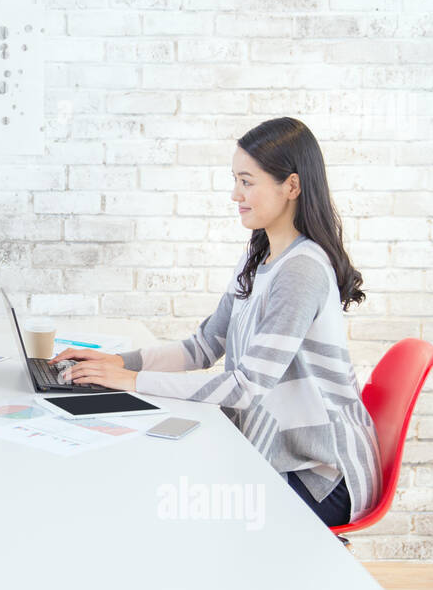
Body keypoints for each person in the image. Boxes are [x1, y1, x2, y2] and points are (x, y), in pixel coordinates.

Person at [51, 117, 382, 527]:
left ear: (291, 187)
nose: (234, 195)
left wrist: (131, 382)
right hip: (275, 453)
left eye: (247, 181)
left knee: (175, 502)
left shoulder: (302, 271)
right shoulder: (259, 256)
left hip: (320, 474)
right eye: (235, 180)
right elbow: (203, 346)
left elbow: (247, 386)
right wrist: (119, 363)